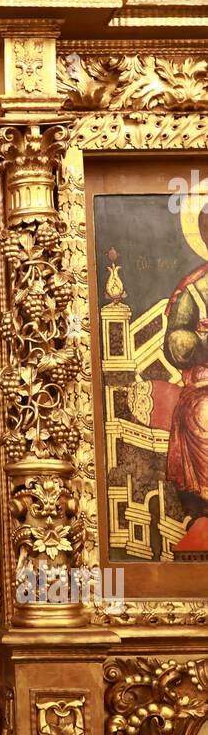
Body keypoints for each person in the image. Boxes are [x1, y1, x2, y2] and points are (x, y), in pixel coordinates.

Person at [164, 200, 208, 540]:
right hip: (205, 380)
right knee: (201, 415)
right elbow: (176, 343)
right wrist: (197, 341)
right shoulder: (193, 288)